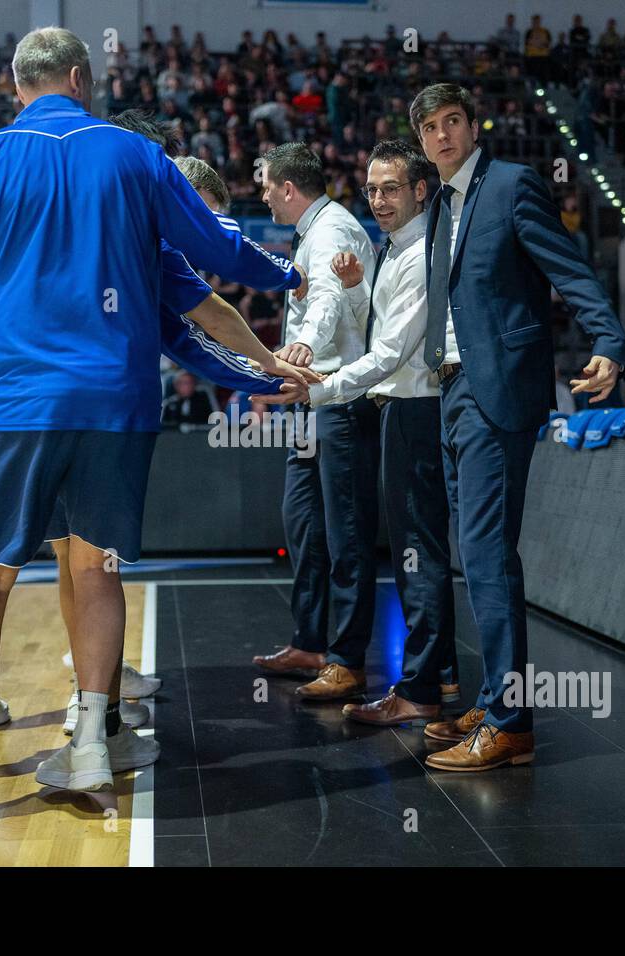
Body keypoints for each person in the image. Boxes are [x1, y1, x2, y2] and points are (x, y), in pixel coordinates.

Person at [0, 26, 309, 828]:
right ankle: (92, 741)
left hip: (20, 404)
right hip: (120, 407)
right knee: (95, 572)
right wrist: (289, 271)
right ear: (82, 80)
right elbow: (213, 256)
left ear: (17, 85)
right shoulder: (133, 157)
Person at [412, 83, 625, 773]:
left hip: (494, 391)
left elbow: (570, 270)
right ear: (421, 143)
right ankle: (498, 701)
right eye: (430, 129)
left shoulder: (512, 185)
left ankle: (510, 723)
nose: (443, 136)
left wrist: (609, 341)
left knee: (487, 556)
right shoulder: (439, 204)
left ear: (474, 126)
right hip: (449, 389)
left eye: (453, 122)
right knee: (478, 557)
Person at [266, 139, 462, 729]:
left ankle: (399, 675)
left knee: (395, 546)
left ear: (420, 191)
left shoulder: (397, 244)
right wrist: (354, 289)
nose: (377, 199)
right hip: (376, 397)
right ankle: (432, 673)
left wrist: (314, 377)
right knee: (393, 546)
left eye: (391, 188)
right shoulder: (386, 245)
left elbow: (381, 347)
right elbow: (366, 322)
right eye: (373, 188)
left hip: (391, 402)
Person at [250, 141, 379, 702]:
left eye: (264, 185)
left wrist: (301, 346)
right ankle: (309, 641)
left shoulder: (331, 231)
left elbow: (325, 299)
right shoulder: (314, 230)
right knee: (303, 524)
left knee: (345, 534)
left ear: (286, 188)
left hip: (341, 400)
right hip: (312, 405)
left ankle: (348, 659)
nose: (261, 195)